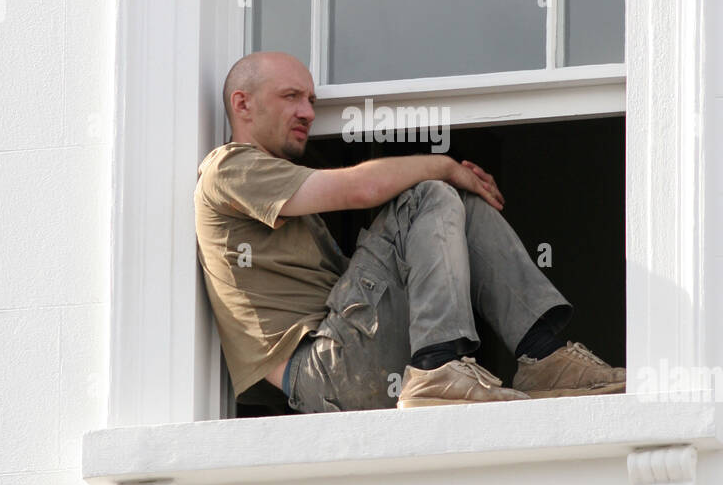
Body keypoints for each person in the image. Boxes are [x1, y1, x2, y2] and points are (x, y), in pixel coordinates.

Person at [194, 51, 625, 414]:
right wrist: (445, 166)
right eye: (291, 97)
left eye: (310, 99)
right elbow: (364, 188)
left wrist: (453, 184)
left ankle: (544, 356)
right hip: (325, 372)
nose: (308, 111)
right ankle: (438, 369)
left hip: (356, 361)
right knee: (428, 195)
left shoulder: (276, 187)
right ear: (243, 104)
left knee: (463, 206)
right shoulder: (228, 167)